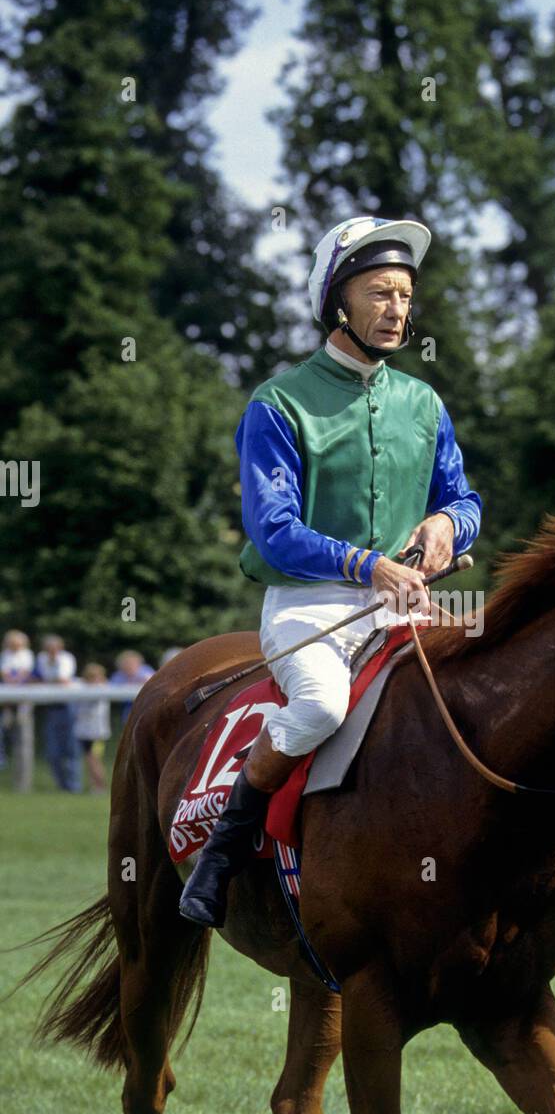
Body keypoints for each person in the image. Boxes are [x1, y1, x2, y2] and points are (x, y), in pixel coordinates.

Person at [179, 214, 482, 927]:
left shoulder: (422, 403)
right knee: (318, 707)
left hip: (401, 609)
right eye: (379, 292)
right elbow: (275, 532)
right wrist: (369, 564)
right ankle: (223, 851)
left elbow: (462, 498)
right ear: (336, 303)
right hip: (310, 607)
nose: (396, 309)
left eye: (405, 295)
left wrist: (447, 525)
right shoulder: (277, 403)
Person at [35, 635, 81, 792]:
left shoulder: (67, 658)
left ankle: (74, 786)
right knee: (53, 751)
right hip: (51, 706)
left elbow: (62, 679)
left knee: (71, 749)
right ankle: (61, 785)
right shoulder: (41, 658)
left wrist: (46, 682)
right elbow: (44, 678)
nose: (51, 652)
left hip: (68, 705)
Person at [0, 630, 35, 789]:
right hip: (9, 700)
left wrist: (14, 682)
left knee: (24, 745)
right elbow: (5, 673)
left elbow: (24, 674)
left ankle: (23, 784)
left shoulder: (26, 655)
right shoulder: (6, 655)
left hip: (22, 701)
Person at [73, 663, 111, 793]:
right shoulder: (82, 687)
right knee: (89, 759)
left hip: (97, 732)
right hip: (84, 731)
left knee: (93, 759)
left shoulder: (103, 688)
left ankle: (101, 786)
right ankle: (94, 786)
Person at [110, 650, 155, 722]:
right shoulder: (118, 675)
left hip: (146, 703)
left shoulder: (145, 670)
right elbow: (112, 688)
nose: (129, 666)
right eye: (126, 664)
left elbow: (152, 683)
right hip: (127, 705)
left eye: (131, 663)